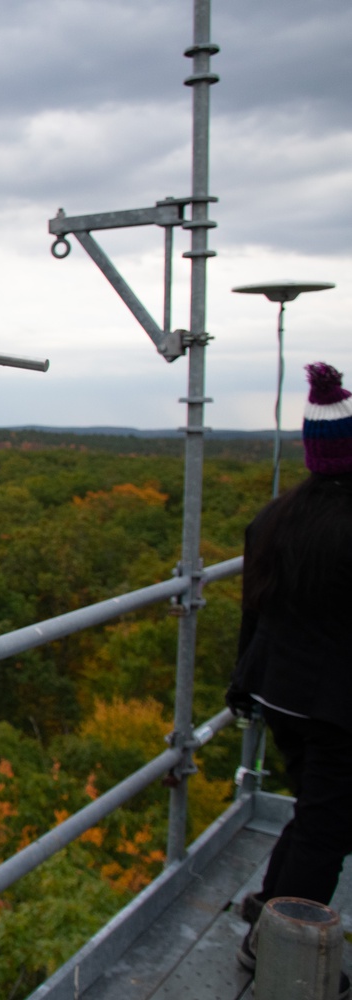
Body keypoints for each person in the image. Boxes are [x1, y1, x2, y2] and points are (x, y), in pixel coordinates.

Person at [228, 361, 352, 982]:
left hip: (280, 693)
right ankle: (272, 945)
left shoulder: (274, 519)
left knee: (315, 814)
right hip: (336, 706)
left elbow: (255, 613)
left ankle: (264, 905)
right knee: (328, 829)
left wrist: (241, 683)